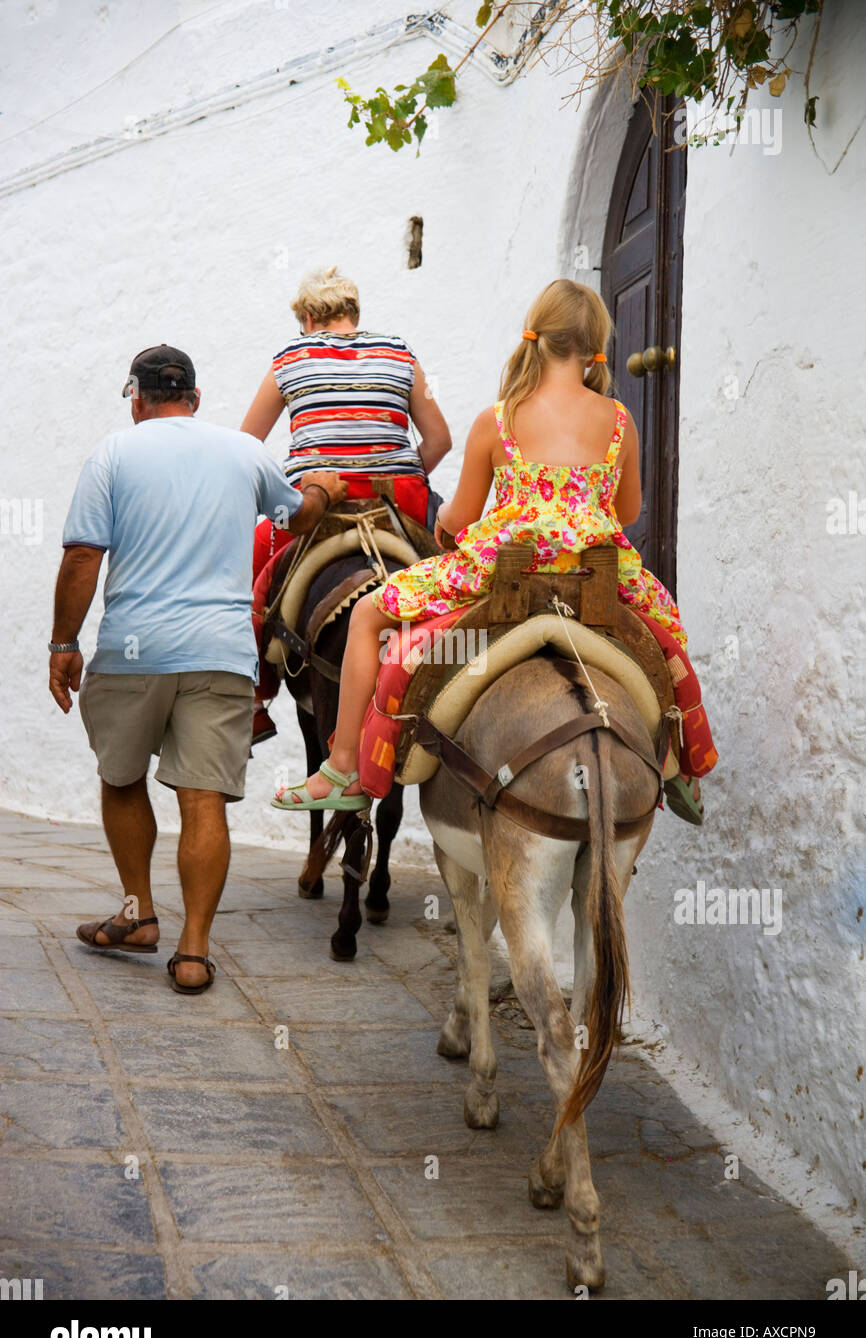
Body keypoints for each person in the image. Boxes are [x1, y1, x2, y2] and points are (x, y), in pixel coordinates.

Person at [270, 279, 716, 823]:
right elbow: (627, 513)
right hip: (597, 580)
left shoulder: (498, 419)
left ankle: (341, 767)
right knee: (667, 639)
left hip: (509, 577)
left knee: (366, 615)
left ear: (536, 338)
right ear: (597, 347)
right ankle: (680, 767)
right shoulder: (619, 420)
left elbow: (459, 518)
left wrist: (452, 532)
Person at [49, 344, 346, 993]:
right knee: (203, 799)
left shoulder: (113, 454)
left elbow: (81, 558)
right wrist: (321, 488)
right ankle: (192, 952)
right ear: (197, 399)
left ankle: (138, 914)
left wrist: (62, 645)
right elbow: (297, 517)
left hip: (135, 653)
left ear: (137, 399)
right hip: (220, 654)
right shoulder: (243, 452)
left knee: (122, 779)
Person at [240, 265, 452, 743]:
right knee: (456, 566)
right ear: (353, 314)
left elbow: (246, 448)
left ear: (311, 316)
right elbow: (439, 440)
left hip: (315, 507)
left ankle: (255, 698)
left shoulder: (289, 358)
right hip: (400, 501)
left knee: (254, 567)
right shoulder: (401, 353)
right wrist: (395, 472)